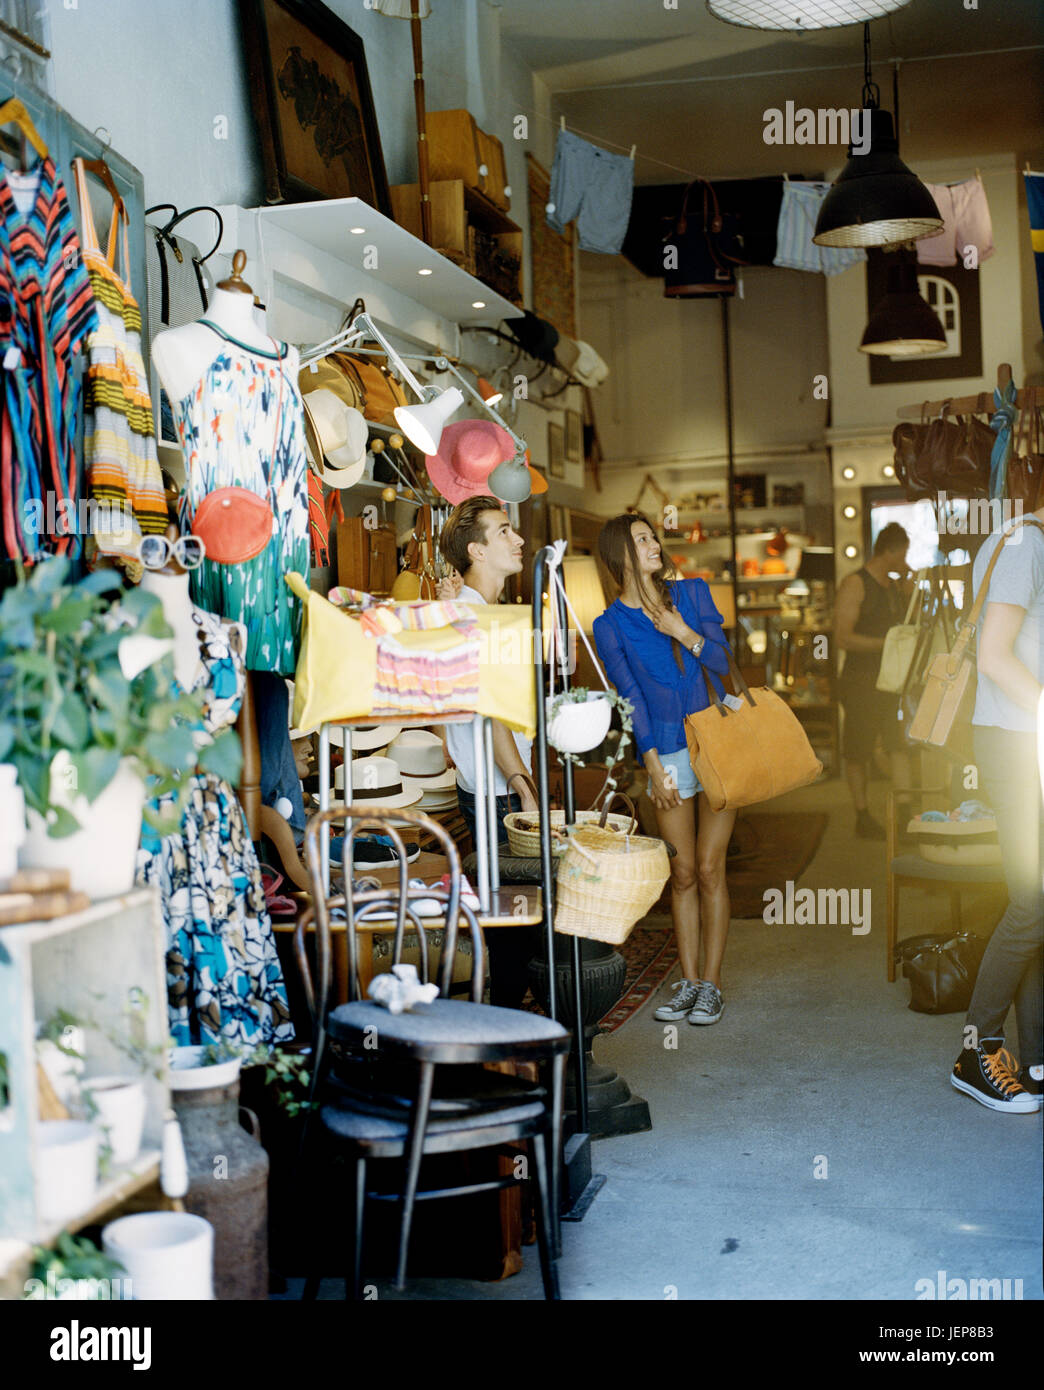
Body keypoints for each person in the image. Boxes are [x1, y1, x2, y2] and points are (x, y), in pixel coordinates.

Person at [593, 513, 735, 1025]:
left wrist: (682, 630)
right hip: (667, 753)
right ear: (619, 557)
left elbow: (723, 660)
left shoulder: (693, 595)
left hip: (718, 743)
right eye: (641, 540)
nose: (654, 544)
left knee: (710, 867)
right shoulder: (609, 626)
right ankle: (690, 981)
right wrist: (650, 765)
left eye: (653, 535)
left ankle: (712, 985)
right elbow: (628, 699)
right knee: (681, 873)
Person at [950, 508, 1044, 1113]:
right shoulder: (1025, 543)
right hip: (1017, 740)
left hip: (1021, 737)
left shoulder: (1022, 538)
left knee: (1036, 899)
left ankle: (1034, 1055)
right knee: (1033, 900)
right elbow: (992, 656)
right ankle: (975, 1050)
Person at [436, 495, 538, 1006]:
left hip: (491, 786)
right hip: (499, 794)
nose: (517, 539)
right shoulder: (470, 614)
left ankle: (514, 1041)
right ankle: (510, 1046)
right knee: (512, 927)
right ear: (475, 550)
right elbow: (489, 709)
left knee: (513, 925)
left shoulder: (474, 610)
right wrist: (523, 786)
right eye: (503, 532)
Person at [834, 522, 912, 840]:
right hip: (860, 680)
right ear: (890, 551)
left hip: (891, 680)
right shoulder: (855, 583)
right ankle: (862, 815)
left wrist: (907, 580)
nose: (905, 560)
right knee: (858, 749)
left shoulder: (894, 586)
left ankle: (906, 814)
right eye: (903, 554)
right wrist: (886, 644)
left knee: (898, 743)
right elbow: (842, 638)